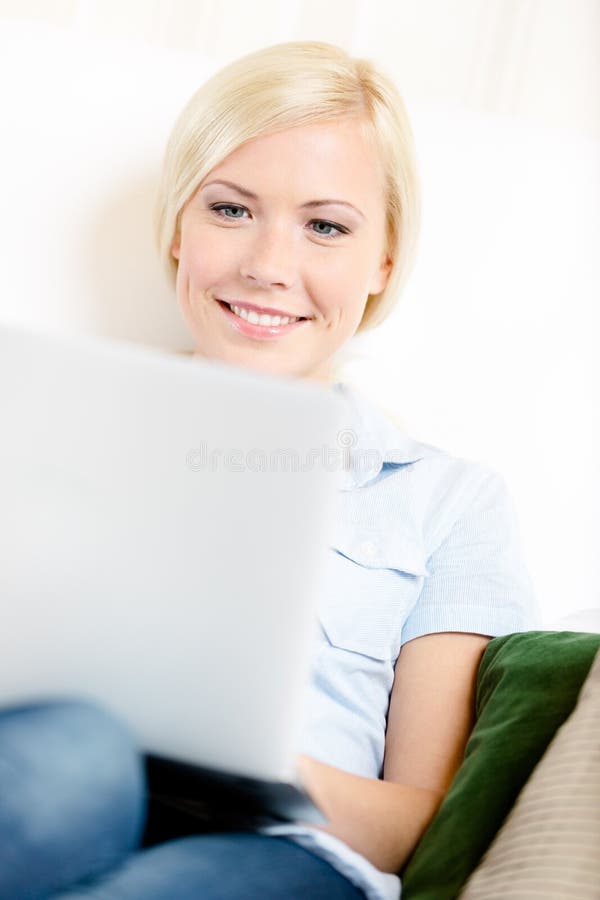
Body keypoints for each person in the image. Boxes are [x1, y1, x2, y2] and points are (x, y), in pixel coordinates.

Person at [0, 40, 541, 900]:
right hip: (65, 769)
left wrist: (247, 762)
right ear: (179, 227)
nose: (267, 265)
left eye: (326, 226)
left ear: (383, 266)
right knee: (63, 759)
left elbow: (414, 820)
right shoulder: (44, 425)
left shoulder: (445, 501)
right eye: (230, 210)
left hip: (281, 845)